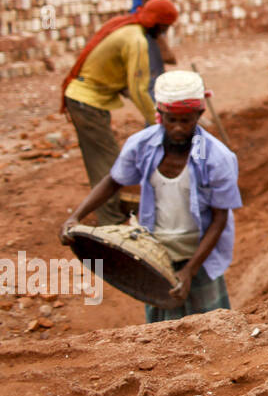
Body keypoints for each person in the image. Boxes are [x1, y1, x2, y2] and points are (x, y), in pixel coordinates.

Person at [59, 70, 242, 323]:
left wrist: (190, 271)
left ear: (199, 115)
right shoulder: (142, 145)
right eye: (171, 120)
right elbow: (113, 181)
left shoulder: (216, 157)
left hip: (198, 253)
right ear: (160, 115)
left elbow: (220, 218)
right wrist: (75, 216)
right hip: (156, 253)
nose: (178, 128)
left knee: (211, 325)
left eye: (186, 121)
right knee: (160, 332)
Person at [60, 0, 179, 227]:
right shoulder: (136, 40)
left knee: (106, 160)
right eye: (165, 27)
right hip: (86, 102)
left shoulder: (129, 29)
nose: (164, 33)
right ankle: (110, 221)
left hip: (86, 100)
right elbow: (138, 89)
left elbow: (125, 82)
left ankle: (113, 213)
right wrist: (158, 120)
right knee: (107, 165)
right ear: (158, 23)